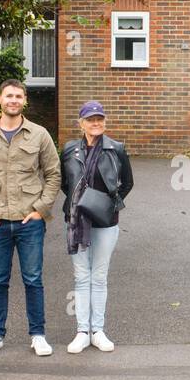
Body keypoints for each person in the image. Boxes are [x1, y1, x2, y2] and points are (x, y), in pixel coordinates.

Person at [0, 79, 61, 358]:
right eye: (8, 96)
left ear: (25, 100)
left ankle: (38, 335)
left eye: (18, 96)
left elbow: (54, 175)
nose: (13, 100)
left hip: (29, 221)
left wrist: (41, 210)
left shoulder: (39, 134)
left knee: (33, 279)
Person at [61, 101, 133, 353]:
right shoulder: (70, 150)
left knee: (99, 275)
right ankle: (82, 331)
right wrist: (79, 204)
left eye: (100, 119)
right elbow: (64, 183)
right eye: (91, 119)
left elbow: (127, 183)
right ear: (81, 123)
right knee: (81, 276)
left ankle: (98, 330)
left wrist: (107, 205)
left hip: (106, 221)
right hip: (76, 220)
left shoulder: (117, 149)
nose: (96, 123)